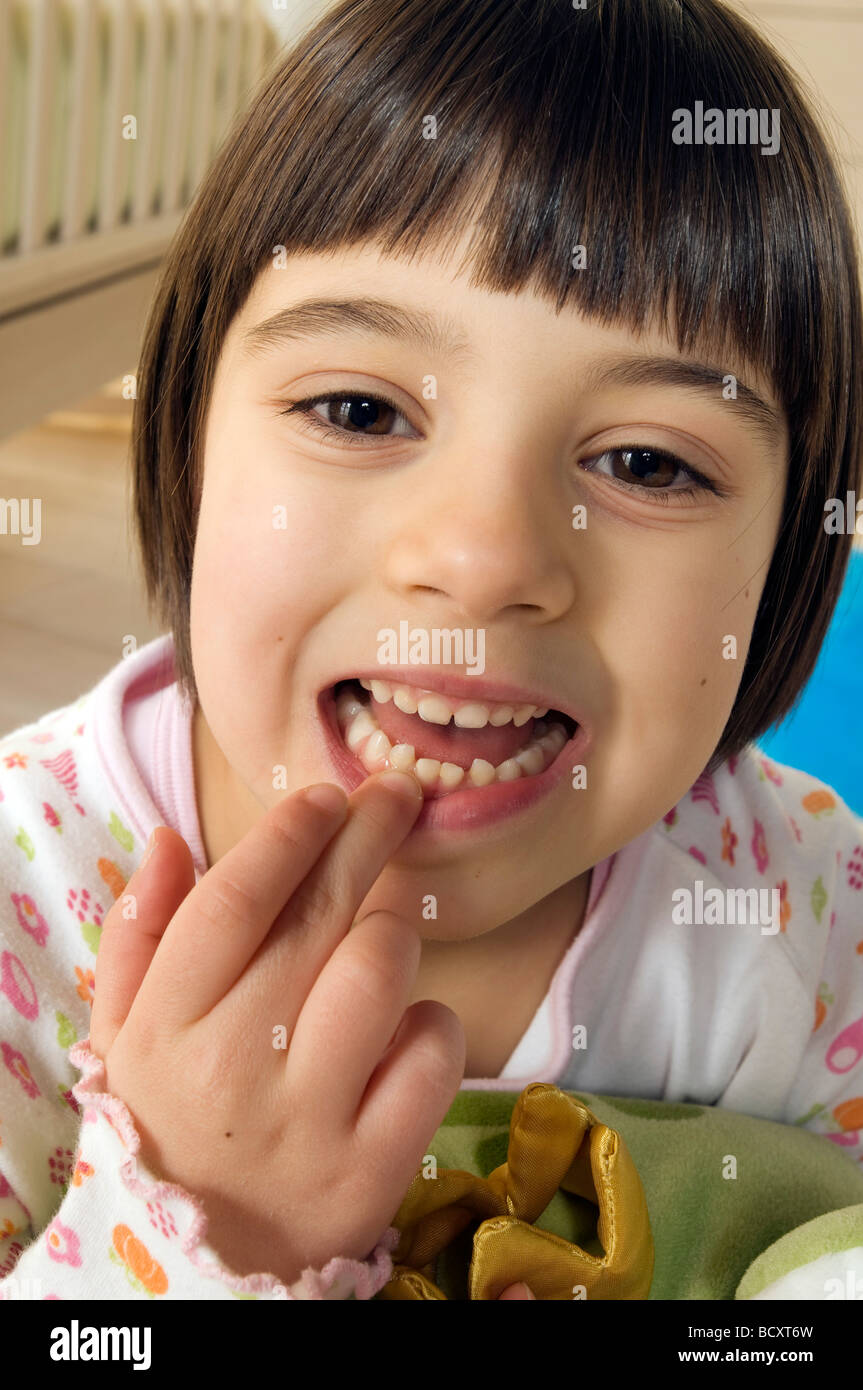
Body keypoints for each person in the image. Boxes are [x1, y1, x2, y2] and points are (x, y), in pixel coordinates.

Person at [1, 0, 861, 1301]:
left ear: (796, 559)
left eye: (644, 462)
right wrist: (197, 1229)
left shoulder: (799, 905)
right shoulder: (30, 901)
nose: (487, 555)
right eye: (360, 408)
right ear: (186, 441)